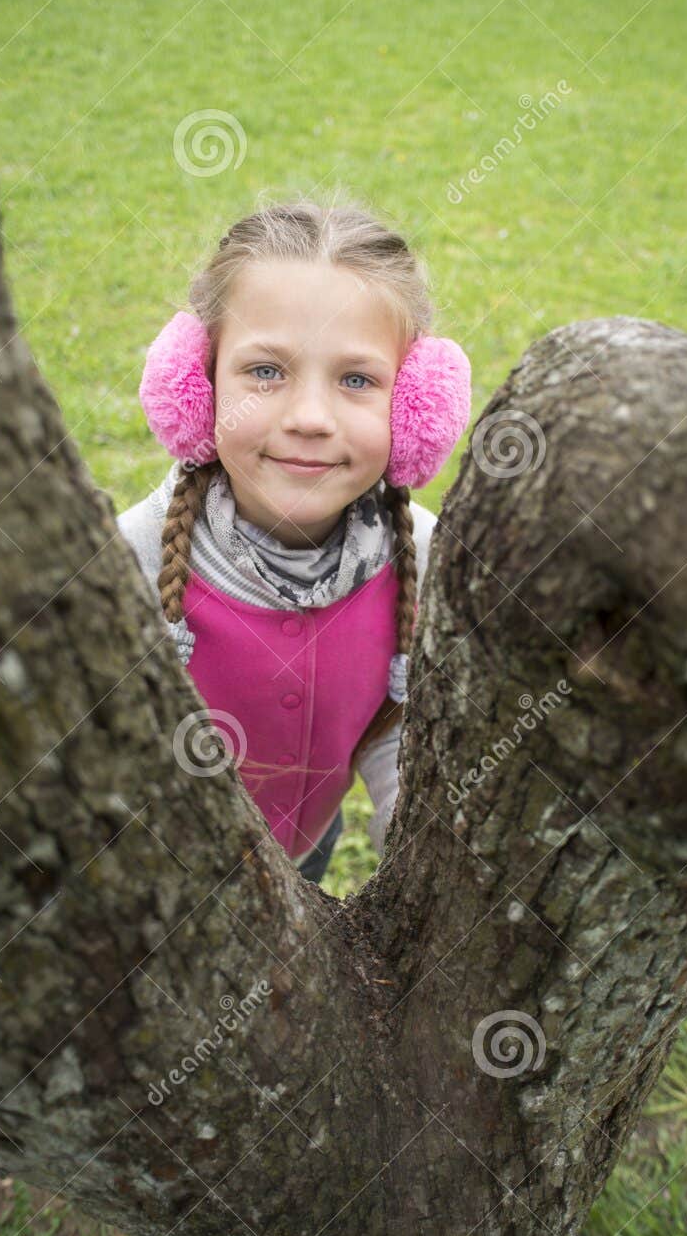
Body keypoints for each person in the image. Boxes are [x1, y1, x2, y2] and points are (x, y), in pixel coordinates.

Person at [115, 197, 471, 883]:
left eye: (357, 379)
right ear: (195, 384)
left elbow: (403, 726)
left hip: (302, 851)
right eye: (266, 372)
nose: (309, 417)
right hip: (147, 878)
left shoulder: (424, 559)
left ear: (414, 403)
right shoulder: (128, 555)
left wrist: (413, 842)